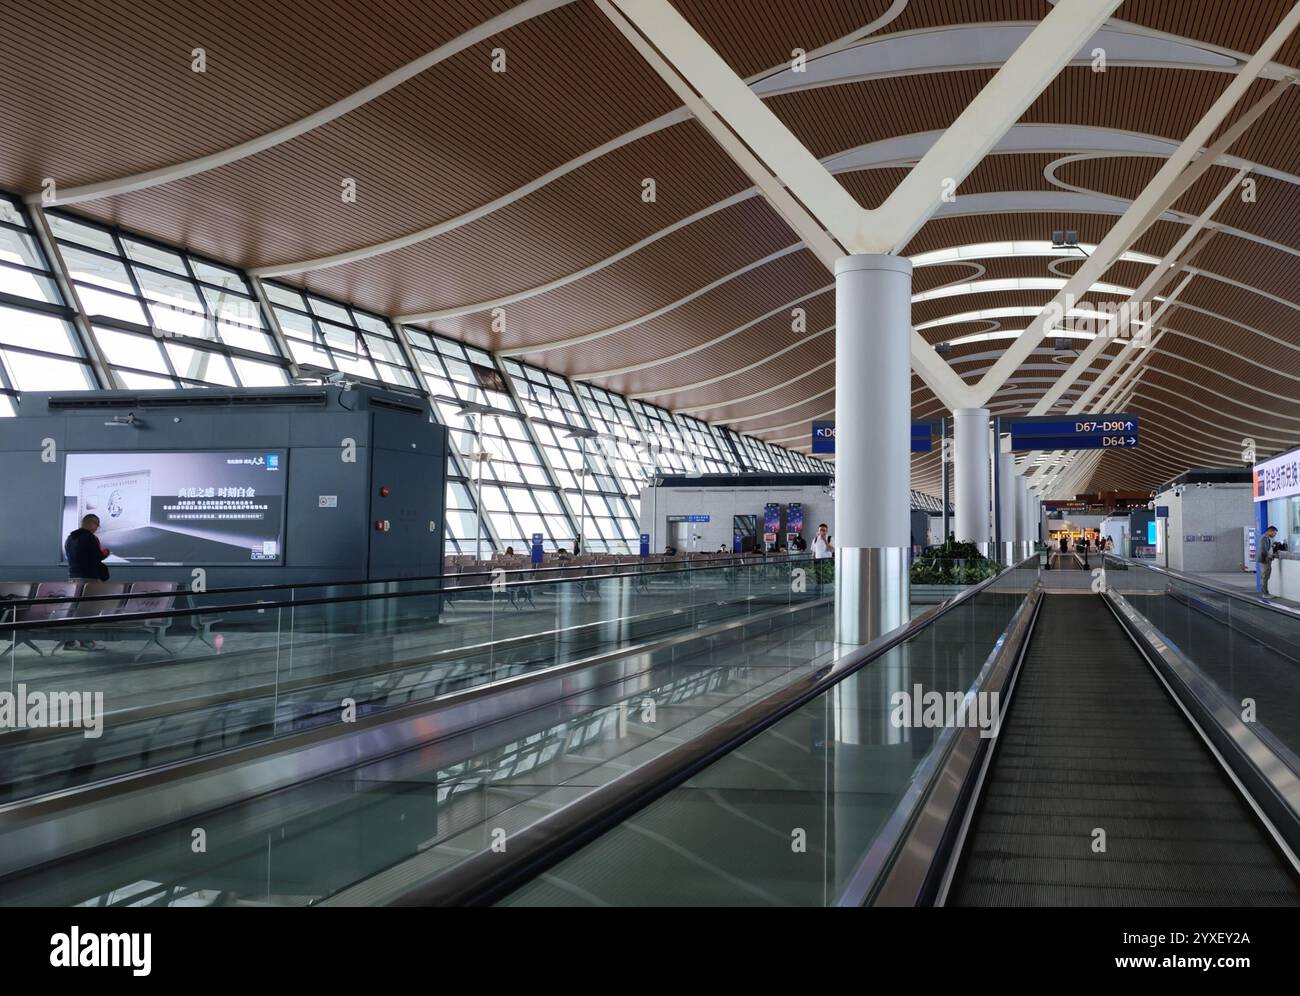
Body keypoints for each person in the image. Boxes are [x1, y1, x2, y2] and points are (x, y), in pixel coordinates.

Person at [64, 513, 109, 651]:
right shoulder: (89, 537)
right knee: (88, 611)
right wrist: (105, 553)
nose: (97, 528)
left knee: (73, 610)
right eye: (96, 525)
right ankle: (87, 641)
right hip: (89, 578)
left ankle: (69, 641)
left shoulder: (70, 538)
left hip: (73, 578)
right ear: (91, 523)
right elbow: (97, 557)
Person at [1259, 525, 1279, 597]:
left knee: (1266, 576)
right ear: (1270, 531)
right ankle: (1265, 593)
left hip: (1266, 559)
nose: (1275, 535)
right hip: (1265, 559)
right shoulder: (1264, 538)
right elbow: (1263, 550)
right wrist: (1269, 556)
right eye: (1274, 533)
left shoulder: (1267, 538)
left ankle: (1265, 592)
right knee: (1265, 576)